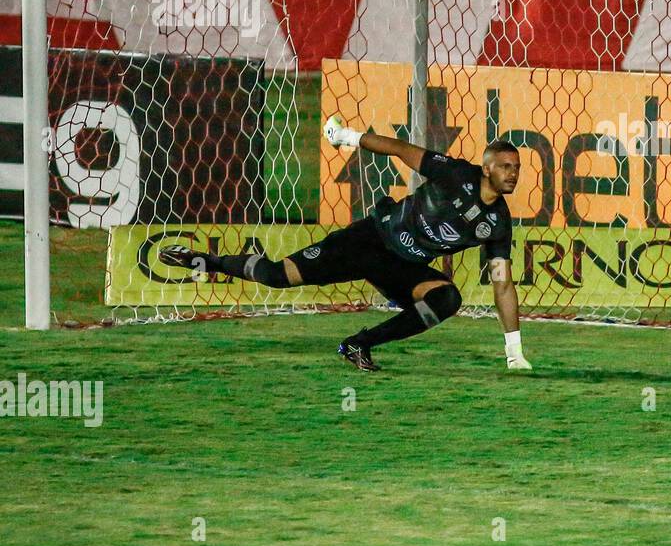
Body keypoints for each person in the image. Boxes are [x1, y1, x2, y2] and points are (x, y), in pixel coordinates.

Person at [160, 117, 531, 373]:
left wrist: (514, 352)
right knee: (277, 276)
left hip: (401, 270)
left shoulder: (497, 224)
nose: (512, 174)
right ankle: (207, 261)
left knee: (447, 299)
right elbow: (402, 149)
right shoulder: (455, 174)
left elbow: (502, 283)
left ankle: (359, 343)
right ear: (487, 168)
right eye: (505, 166)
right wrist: (347, 137)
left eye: (516, 168)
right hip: (369, 240)